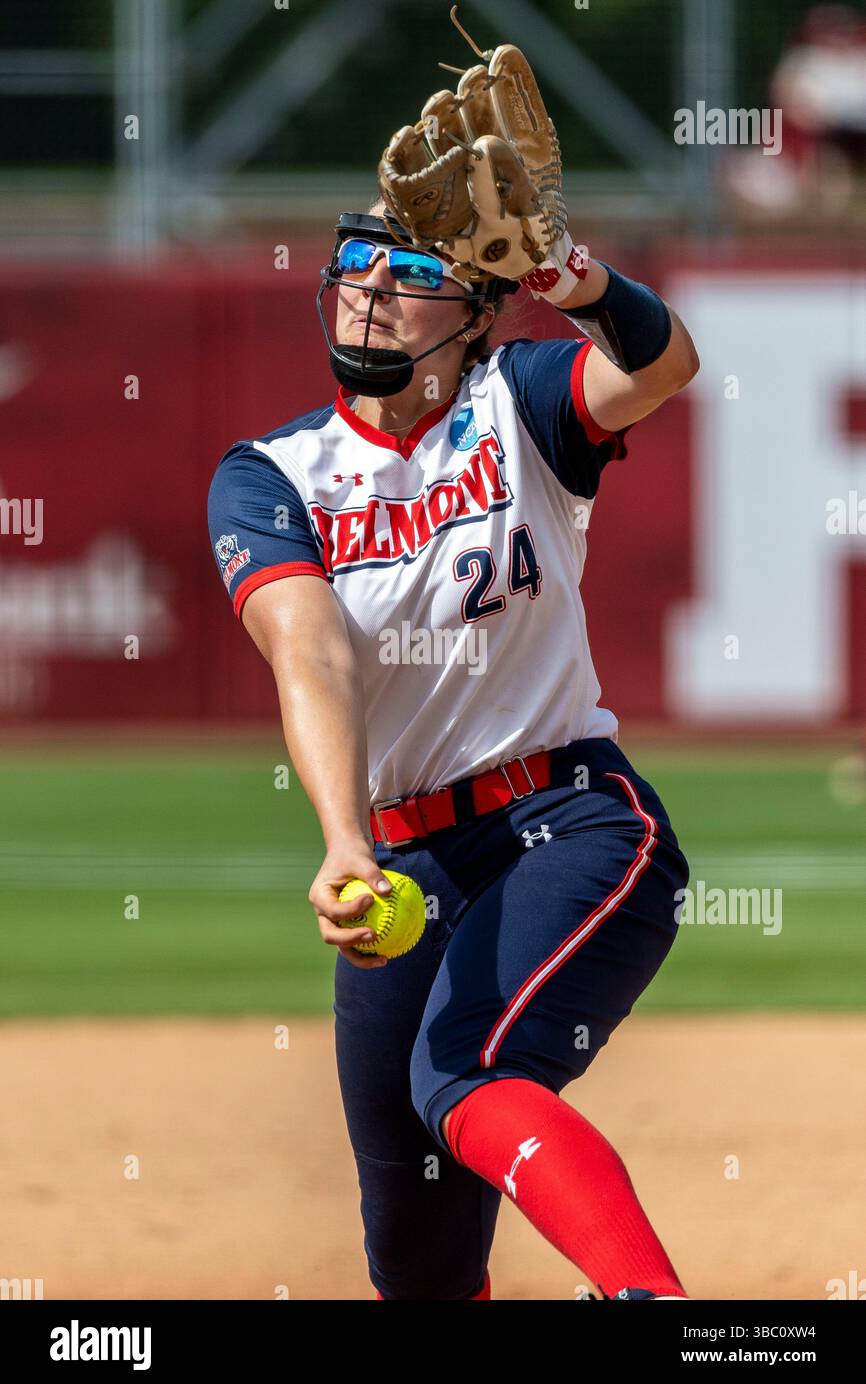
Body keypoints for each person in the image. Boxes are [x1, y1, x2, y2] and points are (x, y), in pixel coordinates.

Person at [207, 196, 700, 1301]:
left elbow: (661, 364)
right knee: (416, 1256)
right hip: (403, 865)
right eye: (353, 265)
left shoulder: (517, 399)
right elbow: (312, 655)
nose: (371, 292)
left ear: (477, 308)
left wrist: (560, 265)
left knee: (471, 1066)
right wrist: (344, 840)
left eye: (405, 270)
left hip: (565, 817)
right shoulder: (271, 475)